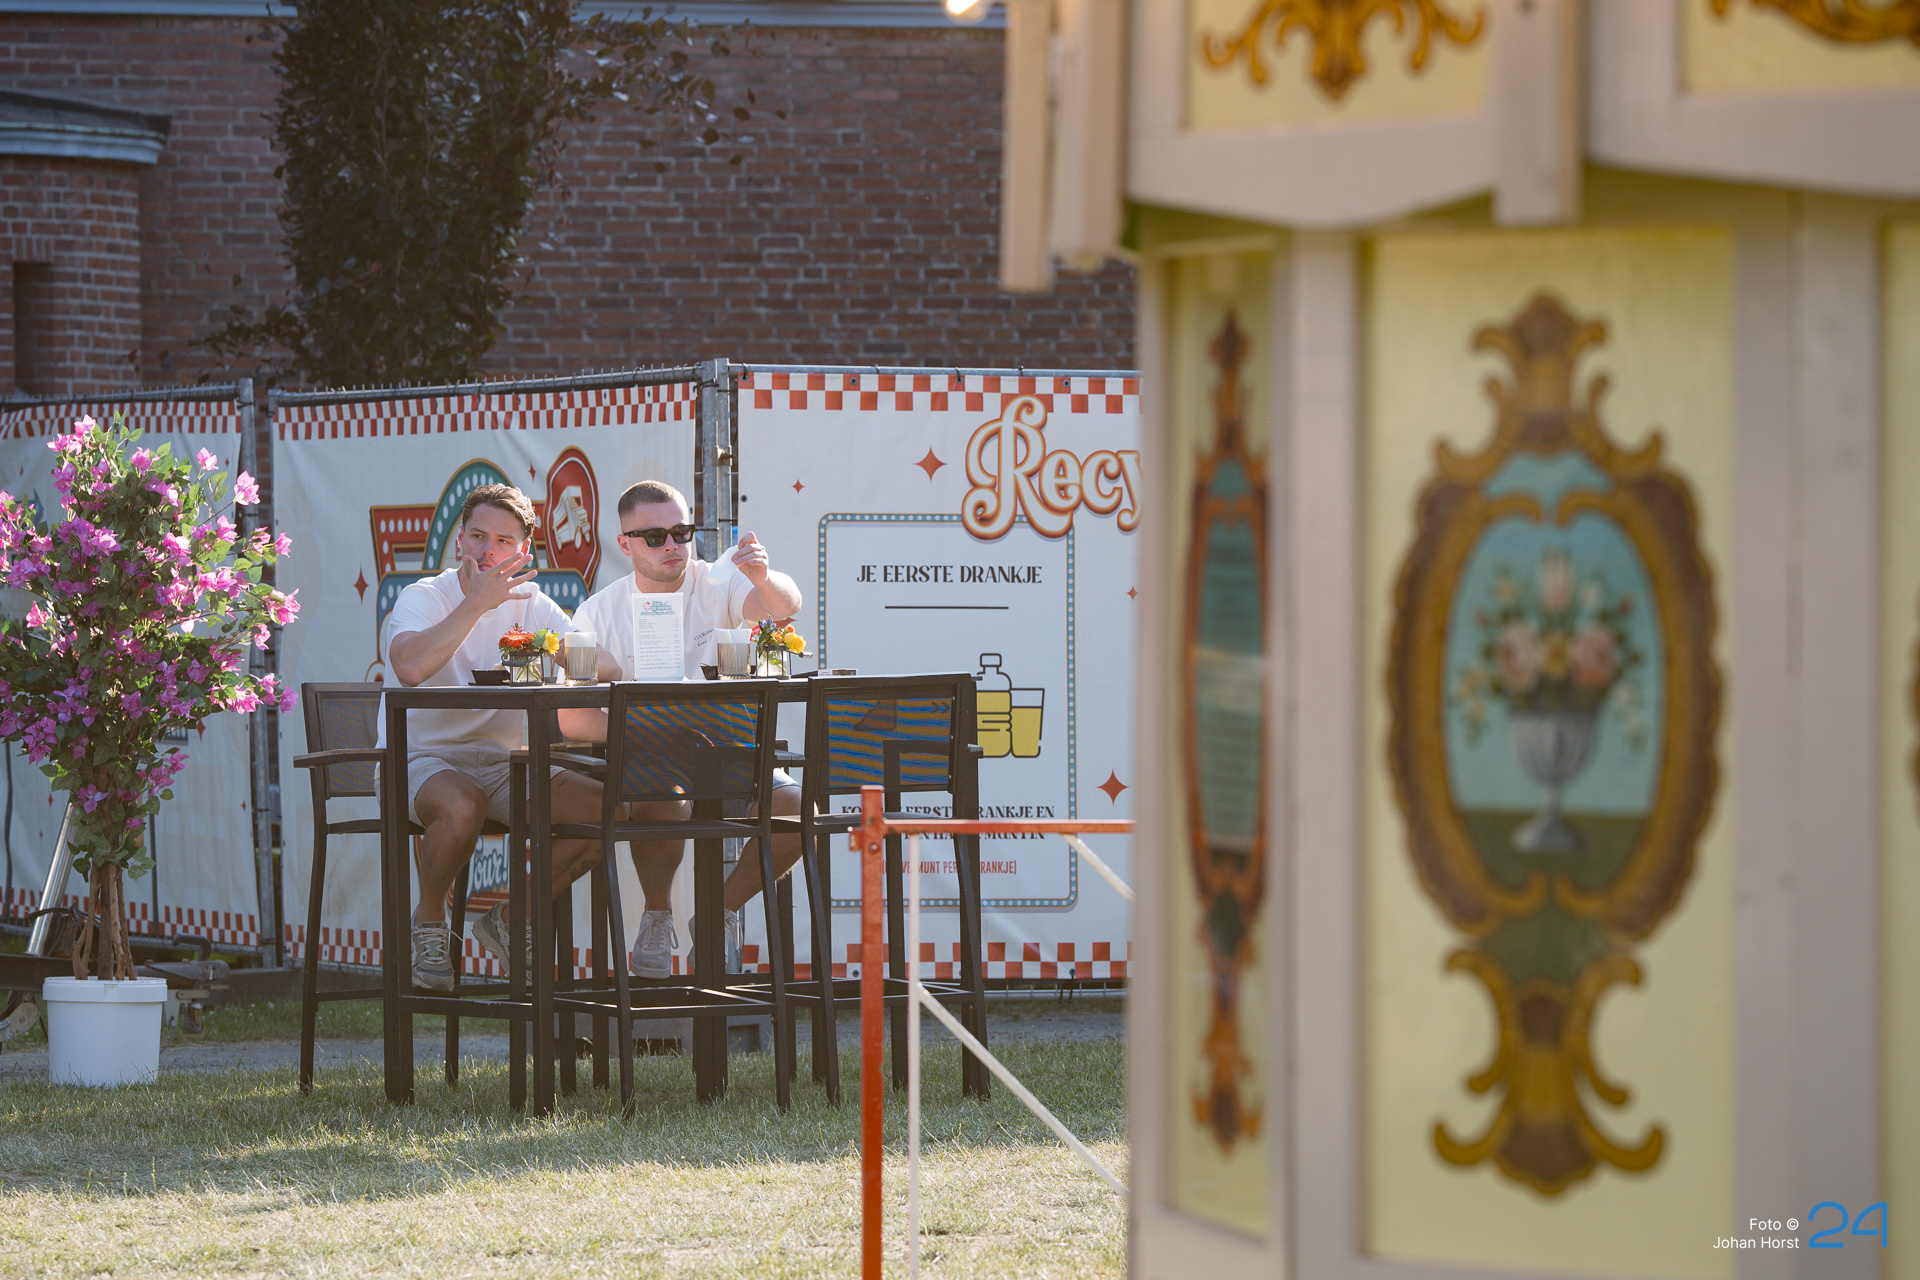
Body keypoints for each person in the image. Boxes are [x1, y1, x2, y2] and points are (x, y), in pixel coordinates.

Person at [562, 480, 806, 979]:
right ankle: (657, 916)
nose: (673, 545)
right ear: (624, 542)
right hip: (649, 763)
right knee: (663, 796)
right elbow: (572, 719)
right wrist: (647, 731)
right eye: (655, 536)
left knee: (797, 811)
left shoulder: (718, 579)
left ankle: (717, 912)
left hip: (729, 752)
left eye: (682, 531)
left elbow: (785, 608)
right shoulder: (598, 611)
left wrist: (760, 577)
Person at [381, 483, 612, 991]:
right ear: (459, 540)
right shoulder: (423, 596)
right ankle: (429, 921)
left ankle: (509, 919)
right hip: (422, 760)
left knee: (608, 807)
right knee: (465, 802)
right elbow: (411, 666)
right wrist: (477, 606)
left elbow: (601, 667)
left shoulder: (531, 601)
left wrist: (562, 650)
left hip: (509, 764)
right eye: (479, 536)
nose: (489, 551)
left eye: (504, 541)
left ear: (523, 552)